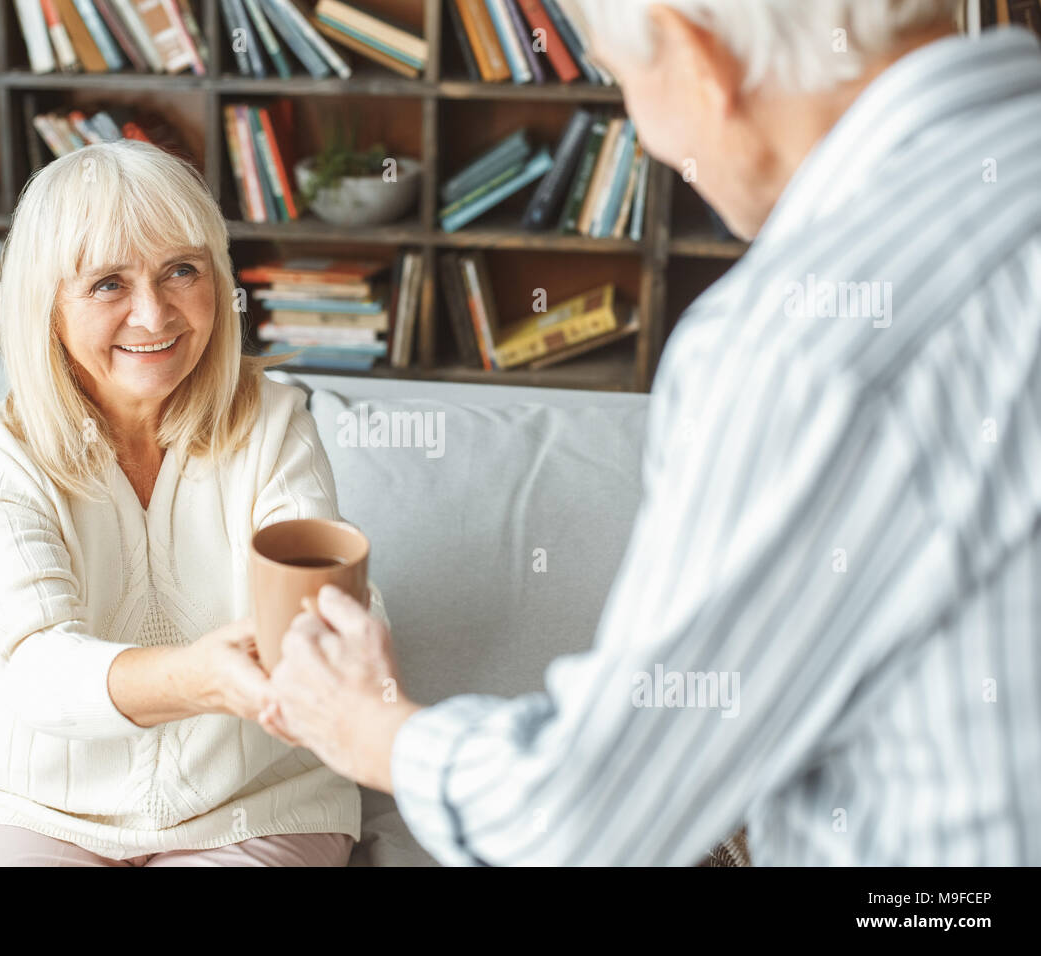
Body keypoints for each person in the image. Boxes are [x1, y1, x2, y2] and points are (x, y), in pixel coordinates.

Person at [259, 1, 1041, 865]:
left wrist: (376, 732)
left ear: (693, 53)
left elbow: (587, 820)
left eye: (625, 81)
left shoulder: (803, 342)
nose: (650, 137)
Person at [0, 139, 382, 866]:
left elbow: (315, 594)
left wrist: (333, 635)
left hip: (257, 802)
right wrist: (198, 677)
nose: (155, 316)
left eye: (182, 270)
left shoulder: (275, 423)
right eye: (108, 284)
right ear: (46, 306)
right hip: (44, 810)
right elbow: (35, 669)